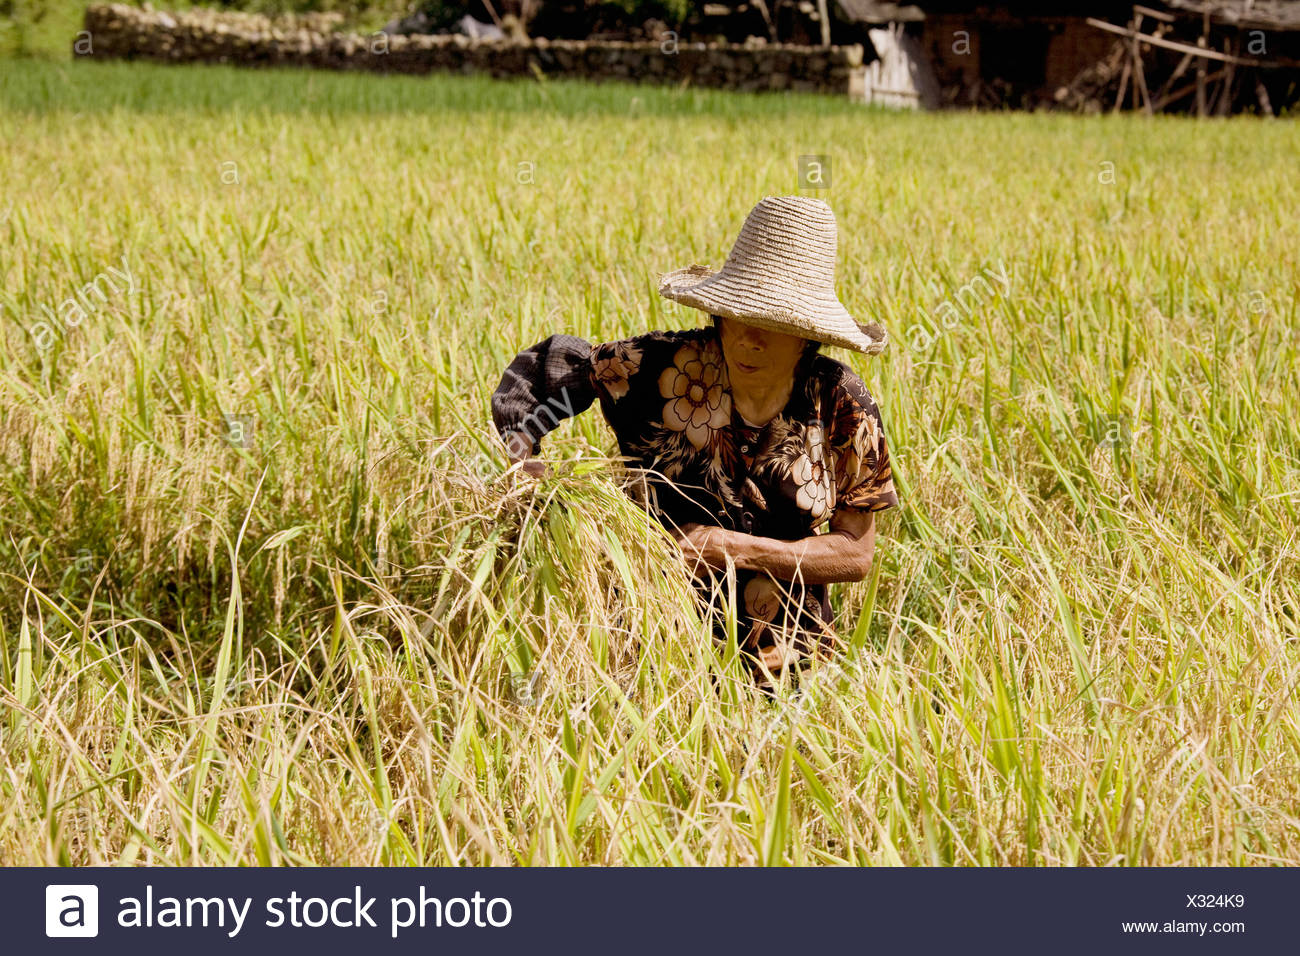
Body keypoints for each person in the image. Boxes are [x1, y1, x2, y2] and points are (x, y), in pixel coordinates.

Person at [491, 196, 898, 687]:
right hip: (650, 647)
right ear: (719, 314)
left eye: (774, 326)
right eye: (738, 314)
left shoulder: (839, 401)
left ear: (808, 338)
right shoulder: (660, 367)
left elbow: (855, 554)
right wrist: (521, 459)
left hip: (788, 661)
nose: (750, 338)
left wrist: (734, 548)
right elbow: (548, 373)